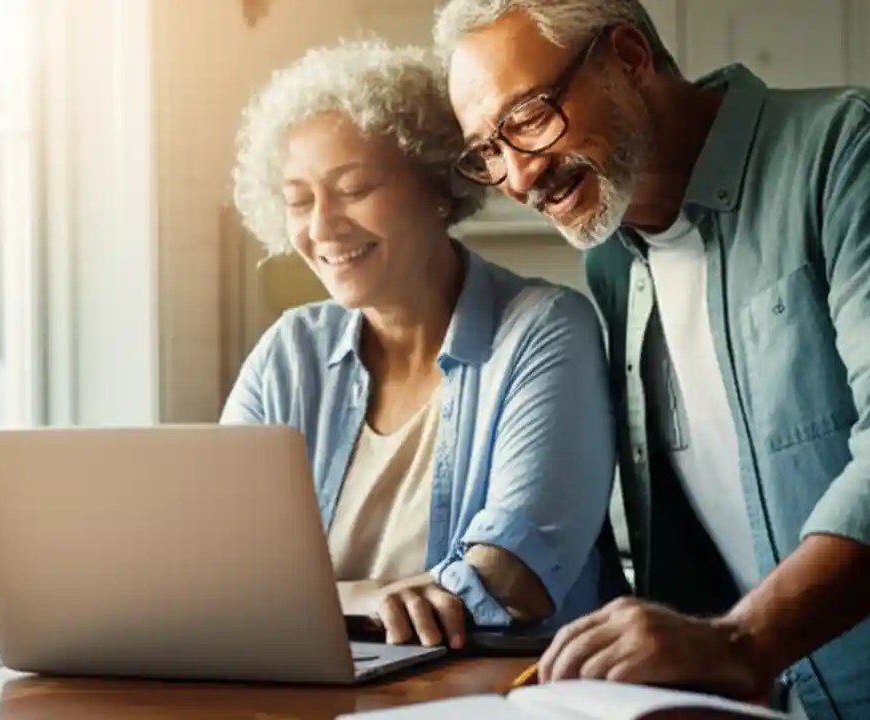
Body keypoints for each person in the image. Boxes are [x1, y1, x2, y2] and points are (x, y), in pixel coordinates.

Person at [434, 0, 870, 717]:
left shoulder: (857, 151)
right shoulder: (614, 266)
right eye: (488, 151)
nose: (521, 178)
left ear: (627, 56)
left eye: (528, 119)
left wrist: (740, 641)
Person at [223, 38, 627, 649]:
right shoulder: (291, 353)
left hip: (500, 693)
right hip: (319, 690)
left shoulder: (544, 329)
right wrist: (362, 599)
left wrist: (303, 605)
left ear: (439, 184)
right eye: (300, 201)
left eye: (354, 188)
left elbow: (516, 578)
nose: (323, 227)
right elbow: (217, 570)